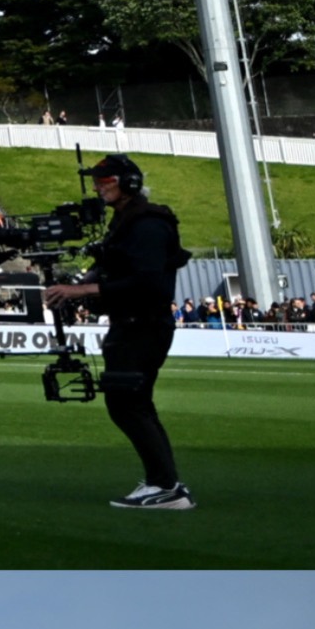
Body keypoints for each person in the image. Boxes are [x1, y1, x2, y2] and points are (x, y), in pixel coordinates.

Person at [35, 154, 193, 509]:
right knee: (132, 405)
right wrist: (84, 284)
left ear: (127, 184)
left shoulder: (148, 224)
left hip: (143, 326)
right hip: (131, 325)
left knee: (129, 405)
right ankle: (163, 483)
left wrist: (81, 291)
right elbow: (115, 268)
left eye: (105, 182)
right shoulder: (128, 221)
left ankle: (165, 485)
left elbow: (147, 282)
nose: (98, 188)